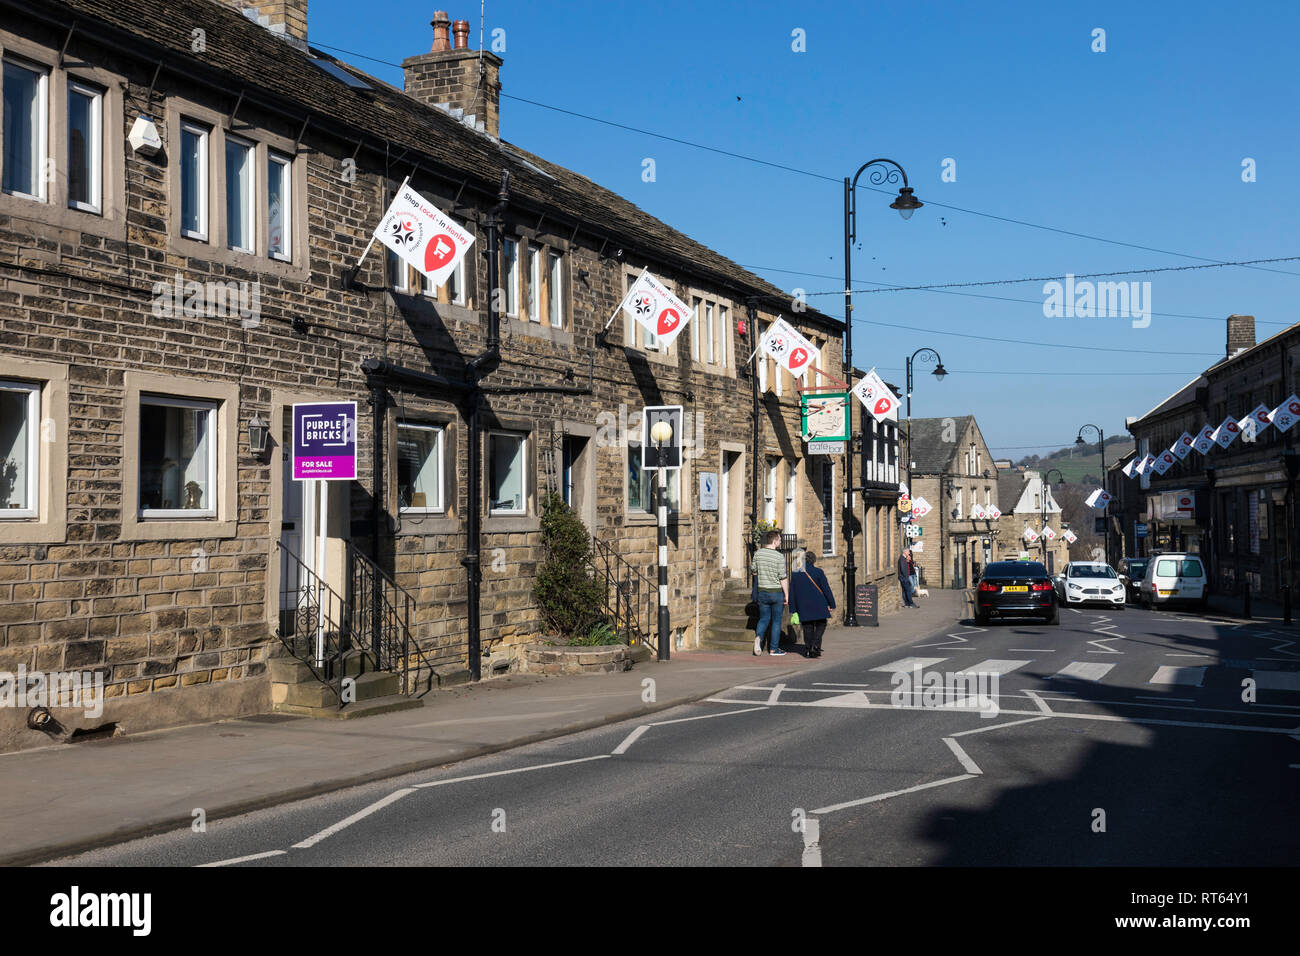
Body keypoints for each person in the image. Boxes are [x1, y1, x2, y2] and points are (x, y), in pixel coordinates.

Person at [788, 551, 836, 658]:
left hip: (803, 605)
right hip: (819, 603)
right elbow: (826, 589)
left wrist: (793, 608)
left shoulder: (795, 574)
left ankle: (809, 649)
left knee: (807, 627)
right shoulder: (818, 572)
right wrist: (831, 604)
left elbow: (792, 592)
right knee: (821, 624)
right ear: (814, 561)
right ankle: (815, 645)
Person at [753, 530, 789, 656]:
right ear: (774, 541)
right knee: (776, 621)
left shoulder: (758, 554)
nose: (780, 542)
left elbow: (754, 571)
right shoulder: (779, 556)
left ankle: (758, 637)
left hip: (762, 591)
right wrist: (787, 594)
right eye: (779, 540)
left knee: (763, 619)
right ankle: (774, 649)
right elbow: (782, 577)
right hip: (776, 592)